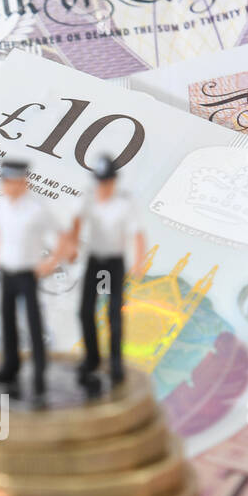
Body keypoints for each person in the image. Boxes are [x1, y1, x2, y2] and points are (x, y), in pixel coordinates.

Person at [0, 159, 70, 396]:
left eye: (12, 183)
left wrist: (51, 263)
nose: (7, 187)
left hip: (27, 272)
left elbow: (63, 236)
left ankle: (39, 367)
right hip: (6, 271)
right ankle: (11, 365)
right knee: (7, 320)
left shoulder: (36, 209)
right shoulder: (3, 205)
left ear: (23, 183)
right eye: (5, 183)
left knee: (33, 320)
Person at [70, 154, 143, 385]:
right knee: (84, 311)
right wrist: (72, 243)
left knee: (113, 313)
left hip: (114, 262)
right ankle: (92, 358)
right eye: (100, 181)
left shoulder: (124, 203)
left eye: (107, 181)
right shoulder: (89, 198)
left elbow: (137, 234)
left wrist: (139, 262)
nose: (103, 185)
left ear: (113, 181)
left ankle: (115, 362)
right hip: (94, 260)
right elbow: (77, 220)